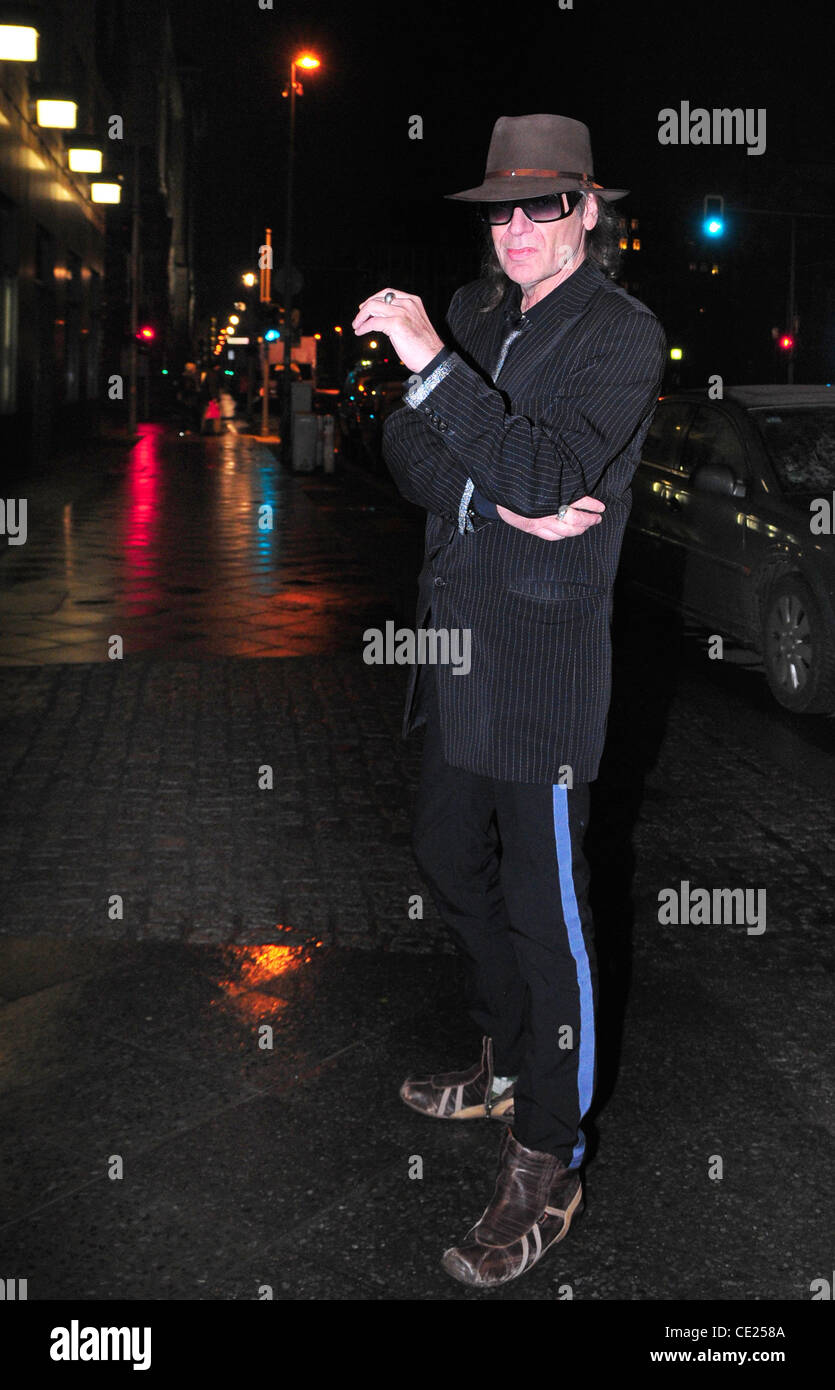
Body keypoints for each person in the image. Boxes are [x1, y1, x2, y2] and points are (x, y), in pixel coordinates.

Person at [352, 114, 666, 1289]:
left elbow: (537, 464)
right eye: (503, 208)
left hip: (539, 669)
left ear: (589, 210)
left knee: (551, 913)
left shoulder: (621, 336)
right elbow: (405, 451)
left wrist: (435, 368)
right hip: (453, 652)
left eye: (547, 205)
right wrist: (500, 494)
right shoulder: (483, 316)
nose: (521, 228)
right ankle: (503, 1052)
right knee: (443, 854)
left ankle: (548, 1150)